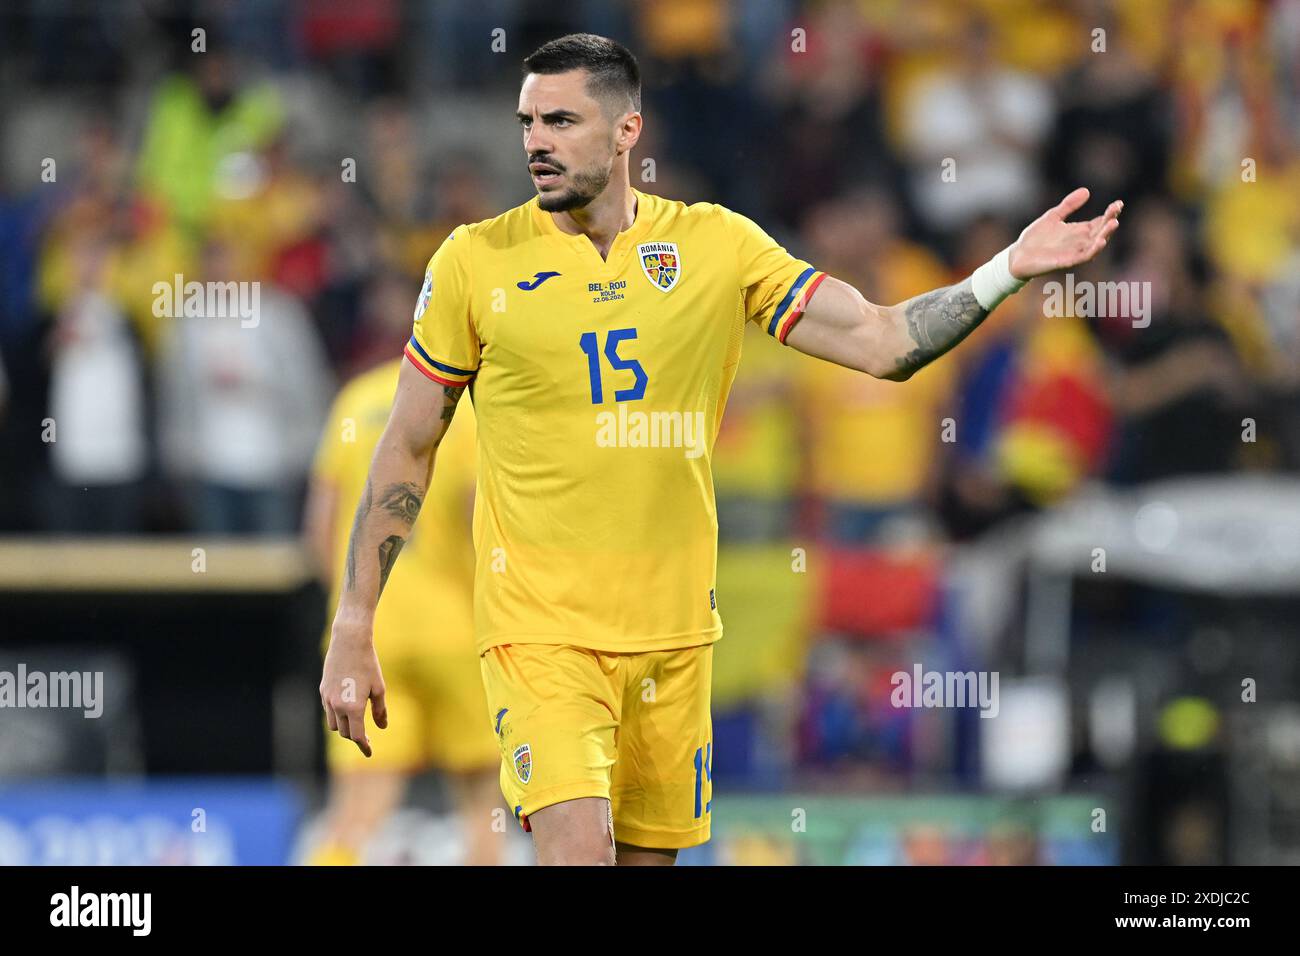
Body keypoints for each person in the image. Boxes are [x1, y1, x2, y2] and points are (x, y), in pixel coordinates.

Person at [320, 33, 1122, 866]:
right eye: (528, 122)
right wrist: (352, 620)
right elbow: (407, 448)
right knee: (573, 851)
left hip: (674, 635)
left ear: (628, 131)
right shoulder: (472, 263)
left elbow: (883, 343)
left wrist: (1006, 269)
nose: (536, 142)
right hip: (542, 634)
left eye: (561, 120)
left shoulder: (716, 247)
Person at [304, 358, 502, 865]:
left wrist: (348, 609)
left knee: (357, 810)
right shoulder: (464, 408)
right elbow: (478, 519)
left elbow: (320, 530)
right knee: (482, 808)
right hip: (455, 631)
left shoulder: (355, 400)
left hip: (372, 638)